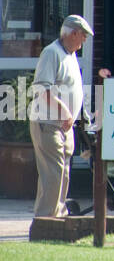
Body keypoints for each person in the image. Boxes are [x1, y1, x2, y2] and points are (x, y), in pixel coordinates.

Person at [28, 15, 93, 217]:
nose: (84, 41)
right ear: (73, 33)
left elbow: (73, 90)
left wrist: (83, 116)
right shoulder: (51, 53)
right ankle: (45, 222)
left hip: (65, 127)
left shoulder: (70, 55)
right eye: (83, 36)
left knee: (63, 175)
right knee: (53, 175)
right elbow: (41, 88)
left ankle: (59, 218)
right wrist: (65, 111)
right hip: (48, 124)